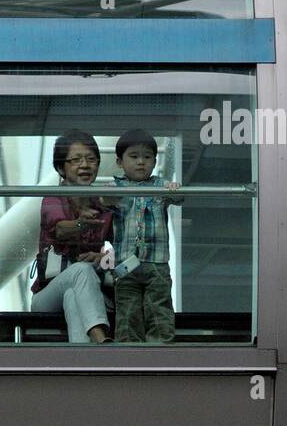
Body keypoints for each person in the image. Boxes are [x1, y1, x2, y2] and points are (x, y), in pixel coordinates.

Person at [30, 130, 113, 343]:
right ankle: (102, 341)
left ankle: (85, 357)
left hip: (90, 293)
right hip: (47, 295)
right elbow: (60, 230)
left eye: (91, 159)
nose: (85, 165)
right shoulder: (53, 199)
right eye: (76, 160)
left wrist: (101, 257)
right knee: (81, 271)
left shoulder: (104, 206)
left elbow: (119, 251)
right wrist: (80, 224)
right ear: (61, 168)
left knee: (73, 296)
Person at [106, 128, 182, 344]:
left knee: (159, 310)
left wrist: (174, 188)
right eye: (134, 156)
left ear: (155, 161)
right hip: (125, 263)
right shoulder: (116, 186)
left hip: (156, 262)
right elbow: (102, 199)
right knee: (127, 313)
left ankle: (160, 354)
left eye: (147, 157)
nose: (141, 162)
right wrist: (107, 197)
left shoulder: (160, 185)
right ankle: (129, 358)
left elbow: (180, 197)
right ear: (120, 162)